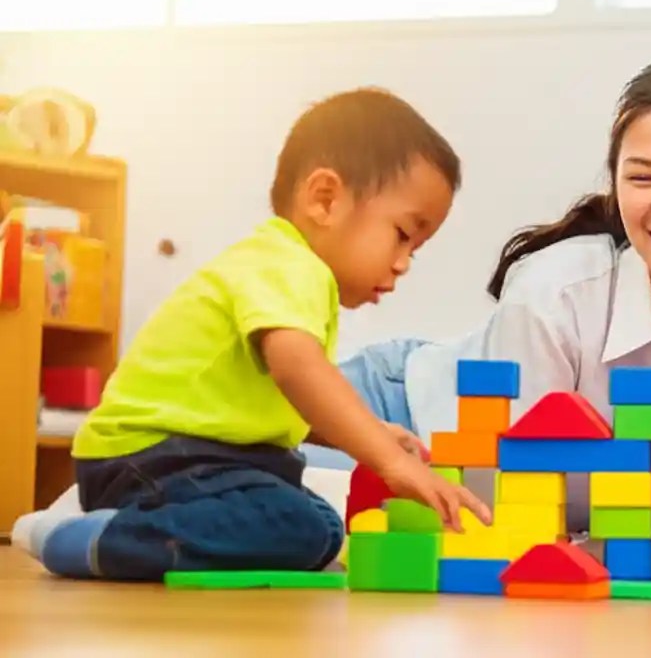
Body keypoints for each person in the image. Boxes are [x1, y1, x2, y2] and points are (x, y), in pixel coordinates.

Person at [338, 53, 651, 531]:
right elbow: (504, 501)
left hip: (525, 521)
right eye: (642, 177)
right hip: (395, 423)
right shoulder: (555, 295)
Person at [26, 88, 491, 581]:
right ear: (325, 199)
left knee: (319, 524)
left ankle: (122, 528)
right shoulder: (287, 265)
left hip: (193, 456)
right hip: (155, 454)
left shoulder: (291, 272)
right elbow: (298, 370)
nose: (403, 264)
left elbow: (272, 394)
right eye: (402, 234)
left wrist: (369, 432)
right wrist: (386, 458)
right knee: (302, 527)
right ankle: (98, 541)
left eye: (416, 249)